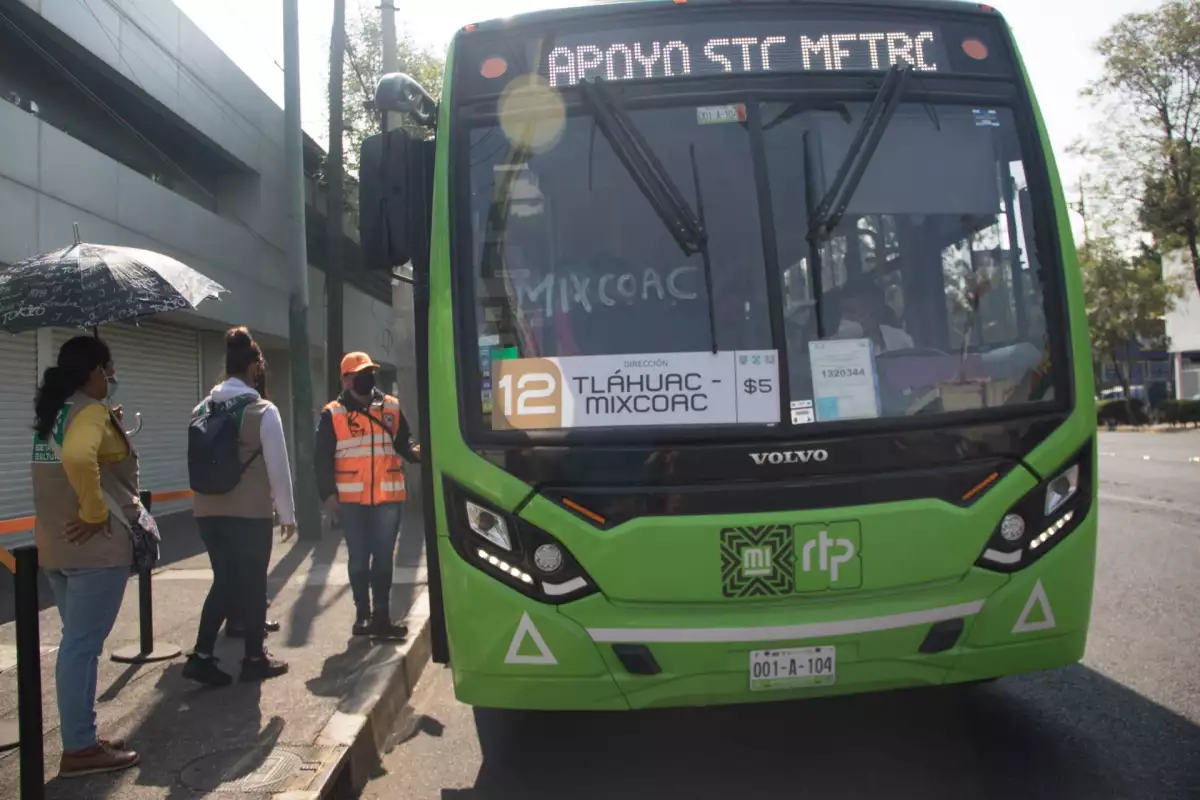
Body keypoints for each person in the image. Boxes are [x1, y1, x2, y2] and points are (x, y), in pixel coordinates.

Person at [31, 335, 140, 777]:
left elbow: (74, 455)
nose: (112, 378)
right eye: (108, 370)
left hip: (56, 547)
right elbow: (79, 457)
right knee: (81, 648)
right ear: (93, 372)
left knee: (74, 645)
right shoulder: (89, 412)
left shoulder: (57, 413)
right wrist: (96, 513)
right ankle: (79, 747)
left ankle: (82, 737)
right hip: (94, 550)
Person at [183, 327, 295, 687]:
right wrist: (288, 514)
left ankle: (203, 655)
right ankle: (252, 657)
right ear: (254, 366)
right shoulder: (262, 410)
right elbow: (278, 466)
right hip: (249, 512)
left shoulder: (201, 407)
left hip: (207, 510)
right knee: (250, 582)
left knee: (227, 581)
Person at [316, 352, 419, 638]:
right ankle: (363, 613)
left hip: (387, 498)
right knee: (360, 560)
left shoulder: (391, 407)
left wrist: (416, 452)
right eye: (360, 373)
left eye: (370, 372)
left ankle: (382, 616)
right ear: (347, 380)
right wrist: (327, 495)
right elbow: (322, 458)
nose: (368, 377)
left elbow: (403, 441)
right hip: (351, 501)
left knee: (384, 559)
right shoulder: (334, 413)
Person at [835, 273, 915, 353]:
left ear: (871, 312)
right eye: (841, 312)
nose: (843, 317)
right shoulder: (832, 347)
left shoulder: (901, 340)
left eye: (851, 311)